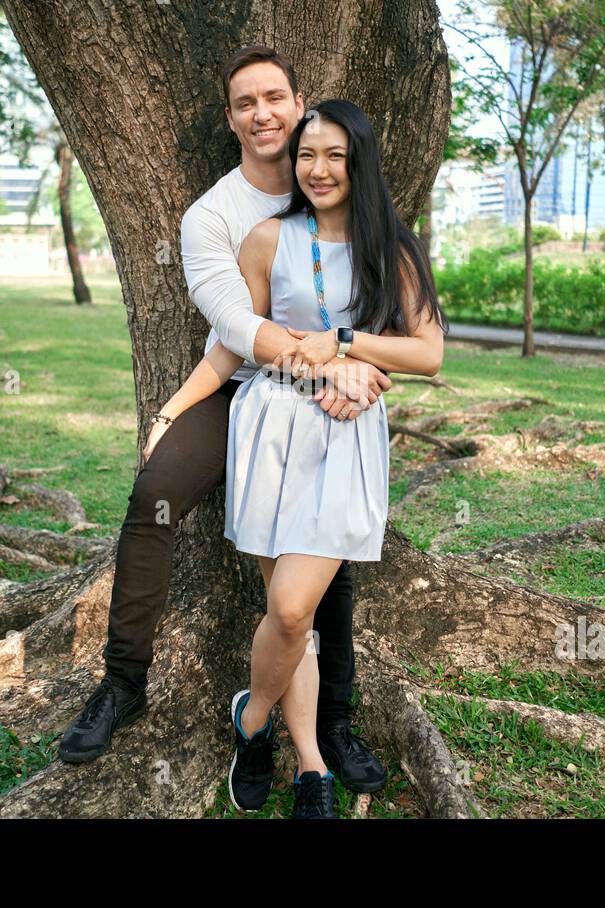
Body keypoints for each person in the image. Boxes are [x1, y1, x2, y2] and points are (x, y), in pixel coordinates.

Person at [58, 46, 394, 798]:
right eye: (245, 103)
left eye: (275, 97)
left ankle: (332, 722)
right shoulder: (212, 216)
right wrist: (179, 404)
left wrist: (364, 369)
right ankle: (122, 683)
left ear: (299, 101)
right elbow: (236, 328)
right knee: (157, 492)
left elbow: (387, 310)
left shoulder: (340, 186)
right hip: (239, 388)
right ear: (230, 119)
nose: (263, 113)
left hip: (329, 396)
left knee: (323, 546)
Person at [144, 99, 447, 817]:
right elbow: (231, 344)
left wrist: (344, 343)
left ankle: (250, 720)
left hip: (343, 438)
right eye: (307, 155)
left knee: (289, 604)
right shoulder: (267, 240)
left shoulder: (391, 248)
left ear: (359, 161)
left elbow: (428, 353)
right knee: (292, 621)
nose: (317, 168)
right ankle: (309, 762)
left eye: (334, 155)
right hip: (269, 429)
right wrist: (171, 409)